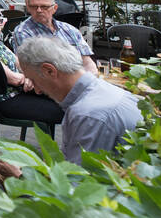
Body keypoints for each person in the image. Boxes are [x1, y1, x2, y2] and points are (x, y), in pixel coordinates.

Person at [16, 37, 141, 165]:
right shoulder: (104, 91)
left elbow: (78, 181)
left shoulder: (87, 114)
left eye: (33, 80)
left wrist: (20, 175)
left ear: (49, 71)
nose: (37, 90)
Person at [0, 2, 62, 133]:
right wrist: (30, 79)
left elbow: (20, 63)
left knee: (63, 98)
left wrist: (31, 77)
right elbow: (13, 79)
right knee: (64, 108)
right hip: (6, 99)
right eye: (0, 19)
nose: (4, 21)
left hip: (19, 91)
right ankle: (64, 150)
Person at [10, 0, 95, 74]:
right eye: (34, 7)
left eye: (44, 7)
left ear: (54, 8)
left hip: (81, 79)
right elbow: (32, 69)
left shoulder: (69, 29)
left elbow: (87, 62)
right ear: (28, 8)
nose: (39, 10)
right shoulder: (23, 32)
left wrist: (91, 79)